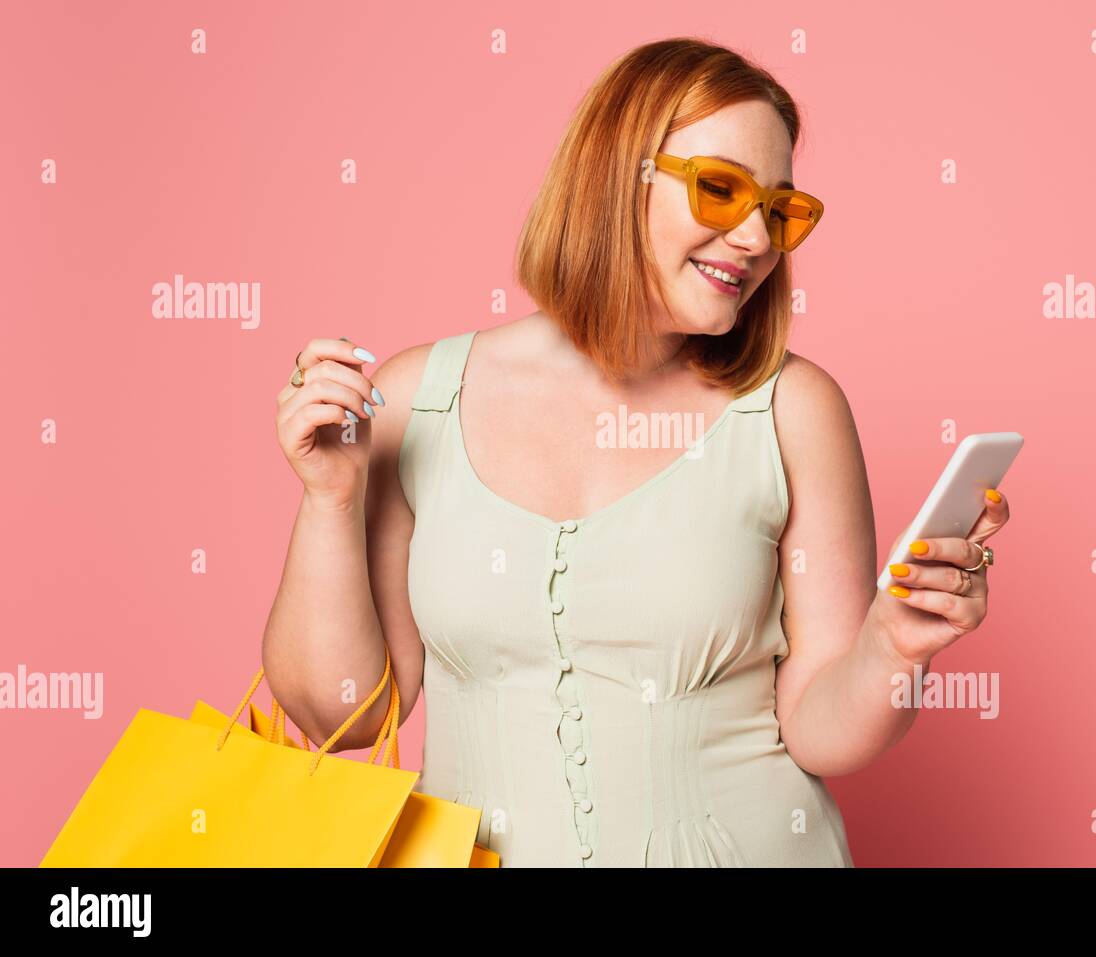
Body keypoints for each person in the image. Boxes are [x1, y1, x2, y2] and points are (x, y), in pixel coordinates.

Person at [263, 37, 1011, 867]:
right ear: (617, 177)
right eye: (721, 190)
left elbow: (820, 728)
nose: (758, 238)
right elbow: (346, 715)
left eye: (780, 209)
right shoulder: (416, 399)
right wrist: (329, 500)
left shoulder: (793, 411)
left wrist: (895, 645)